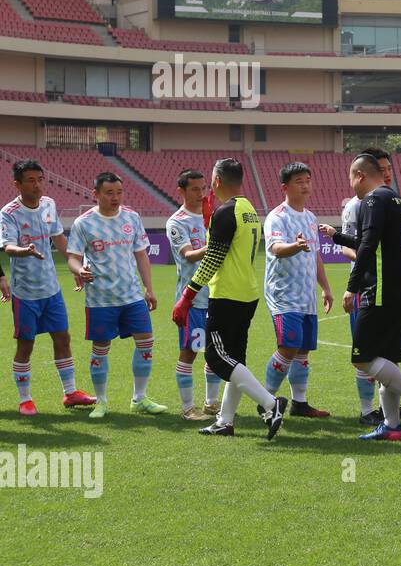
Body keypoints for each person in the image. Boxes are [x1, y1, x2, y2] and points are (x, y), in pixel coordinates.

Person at [171, 158, 288, 438]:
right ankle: (225, 421)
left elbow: (213, 258)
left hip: (227, 294)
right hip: (247, 293)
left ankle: (272, 404)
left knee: (217, 357)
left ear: (217, 181)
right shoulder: (248, 209)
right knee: (235, 359)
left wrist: (187, 296)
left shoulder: (227, 212)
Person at [344, 154, 401, 442]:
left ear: (360, 175)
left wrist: (351, 286)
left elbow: (368, 246)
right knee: (387, 362)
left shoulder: (373, 200)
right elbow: (374, 242)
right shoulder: (398, 201)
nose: (352, 186)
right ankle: (392, 425)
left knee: (362, 359)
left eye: (351, 178)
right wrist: (338, 237)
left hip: (382, 290)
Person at [67, 172, 166, 418]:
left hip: (132, 296)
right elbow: (72, 257)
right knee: (101, 348)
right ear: (96, 194)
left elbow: (141, 254)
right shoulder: (83, 223)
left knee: (145, 343)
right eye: (109, 193)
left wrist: (149, 288)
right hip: (101, 299)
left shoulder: (132, 217)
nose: (115, 197)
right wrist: (80, 269)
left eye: (119, 192)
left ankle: (139, 398)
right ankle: (101, 402)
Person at [0, 159, 94, 415]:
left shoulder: (49, 204)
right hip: (25, 292)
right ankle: (25, 399)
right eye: (30, 180)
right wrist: (24, 250)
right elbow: (7, 246)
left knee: (62, 338)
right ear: (17, 184)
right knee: (26, 345)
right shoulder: (9, 213)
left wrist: (74, 266)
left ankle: (71, 393)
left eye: (40, 179)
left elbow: (59, 238)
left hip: (51, 289)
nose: (37, 184)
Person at [320, 146, 392, 425]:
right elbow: (349, 247)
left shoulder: (386, 201)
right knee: (365, 350)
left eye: (388, 169)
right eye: (381, 169)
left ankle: (389, 406)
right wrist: (368, 256)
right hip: (364, 285)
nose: (386, 174)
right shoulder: (357, 205)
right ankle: (366, 410)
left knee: (386, 349)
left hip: (387, 285)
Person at [263, 162, 333, 418]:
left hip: (306, 296)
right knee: (288, 347)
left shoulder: (311, 217)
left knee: (303, 349)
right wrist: (295, 245)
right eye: (299, 181)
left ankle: (300, 404)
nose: (305, 185)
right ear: (285, 187)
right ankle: (266, 401)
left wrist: (325, 288)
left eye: (307, 180)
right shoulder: (277, 216)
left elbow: (315, 257)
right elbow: (276, 249)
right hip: (284, 294)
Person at [167, 168, 224, 420]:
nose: (201, 193)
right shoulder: (177, 222)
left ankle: (211, 403)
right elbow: (188, 255)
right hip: (193, 300)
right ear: (181, 191)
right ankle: (188, 408)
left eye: (204, 188)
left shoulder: (213, 216)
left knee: (214, 352)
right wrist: (215, 244)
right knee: (190, 351)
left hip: (217, 296)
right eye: (194, 189)